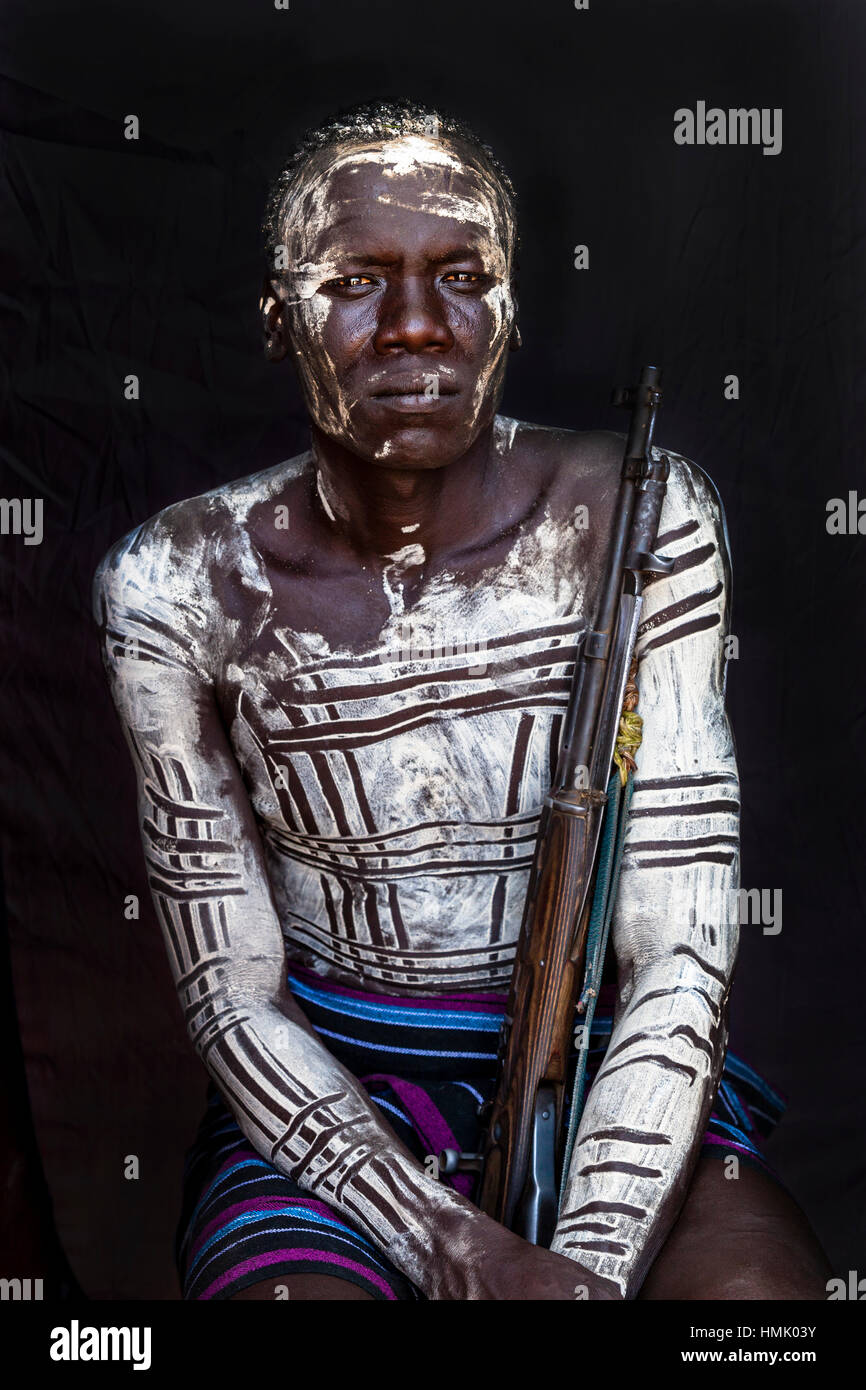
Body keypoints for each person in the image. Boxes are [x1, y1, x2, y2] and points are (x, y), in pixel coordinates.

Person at [93, 100, 831, 1301]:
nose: (416, 324)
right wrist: (456, 1249)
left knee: (758, 1322)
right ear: (278, 318)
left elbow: (677, 955)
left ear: (509, 309)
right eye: (355, 282)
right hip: (323, 1110)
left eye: (461, 276)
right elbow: (233, 995)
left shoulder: (642, 519)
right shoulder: (179, 580)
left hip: (607, 1074)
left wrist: (579, 1264)